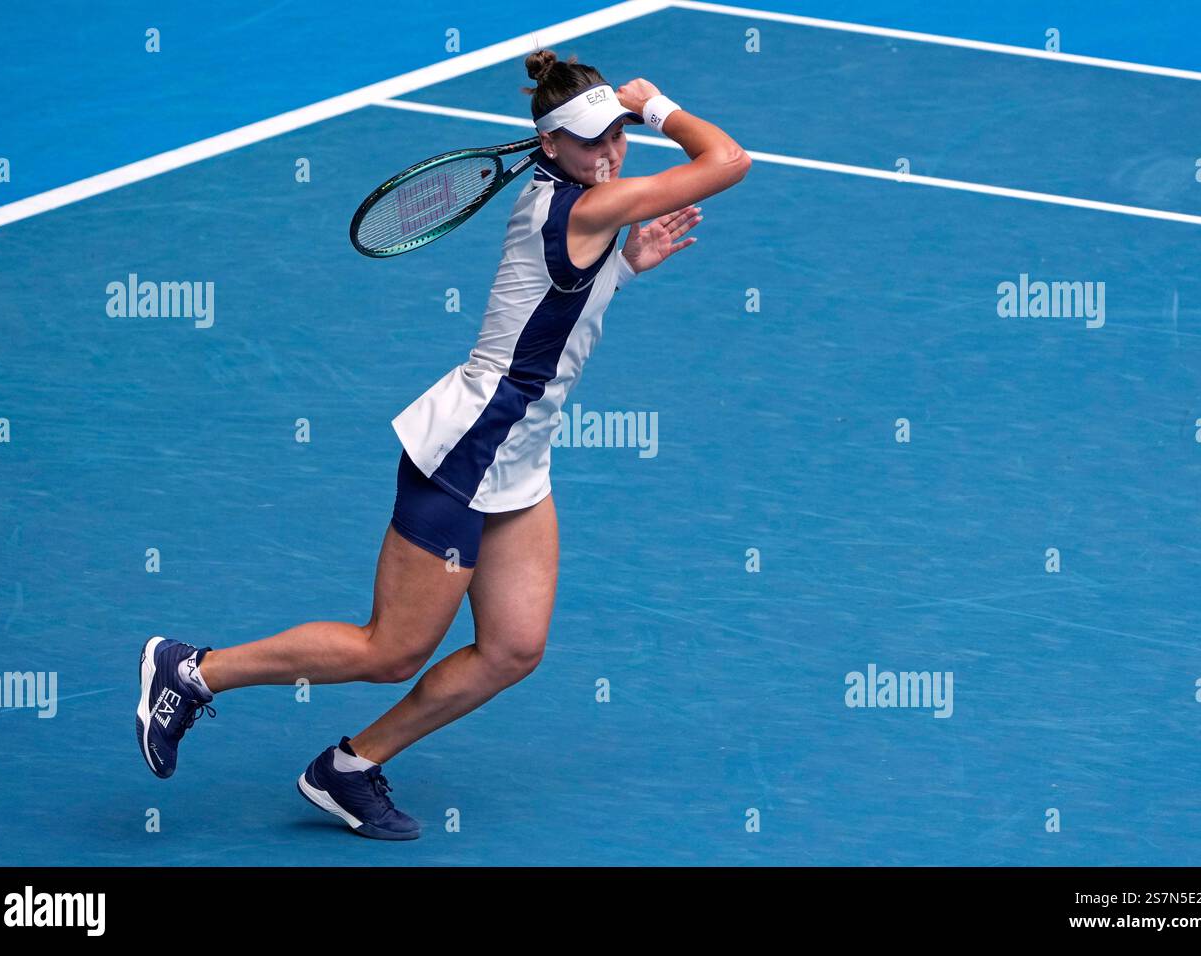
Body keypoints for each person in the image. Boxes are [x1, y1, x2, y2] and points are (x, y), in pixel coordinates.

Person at [135, 48, 751, 840]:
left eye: (621, 135)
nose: (612, 152)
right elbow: (728, 160)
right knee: (390, 649)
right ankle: (190, 670)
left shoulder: (574, 205)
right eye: (595, 139)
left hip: (520, 456)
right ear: (551, 145)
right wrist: (657, 103)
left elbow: (548, 319)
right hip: (469, 451)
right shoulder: (587, 207)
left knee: (513, 648)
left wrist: (624, 272)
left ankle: (348, 769)